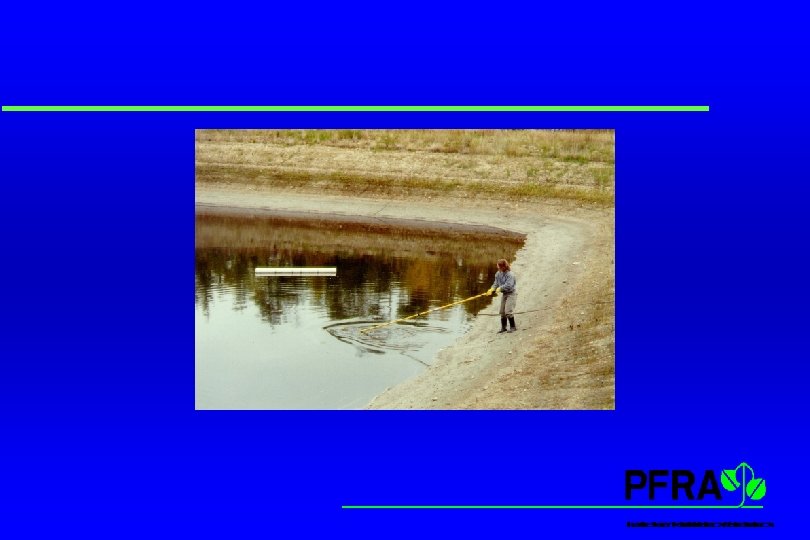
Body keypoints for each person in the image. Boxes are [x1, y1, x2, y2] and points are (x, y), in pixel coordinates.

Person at [487, 259, 517, 333]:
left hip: (511, 293)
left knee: (508, 311)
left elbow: (509, 285)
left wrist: (501, 288)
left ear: (503, 267)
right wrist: (492, 289)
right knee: (502, 311)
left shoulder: (510, 275)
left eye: (499, 267)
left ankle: (513, 327)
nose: (498, 268)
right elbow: (496, 283)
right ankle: (503, 328)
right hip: (505, 294)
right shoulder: (498, 274)